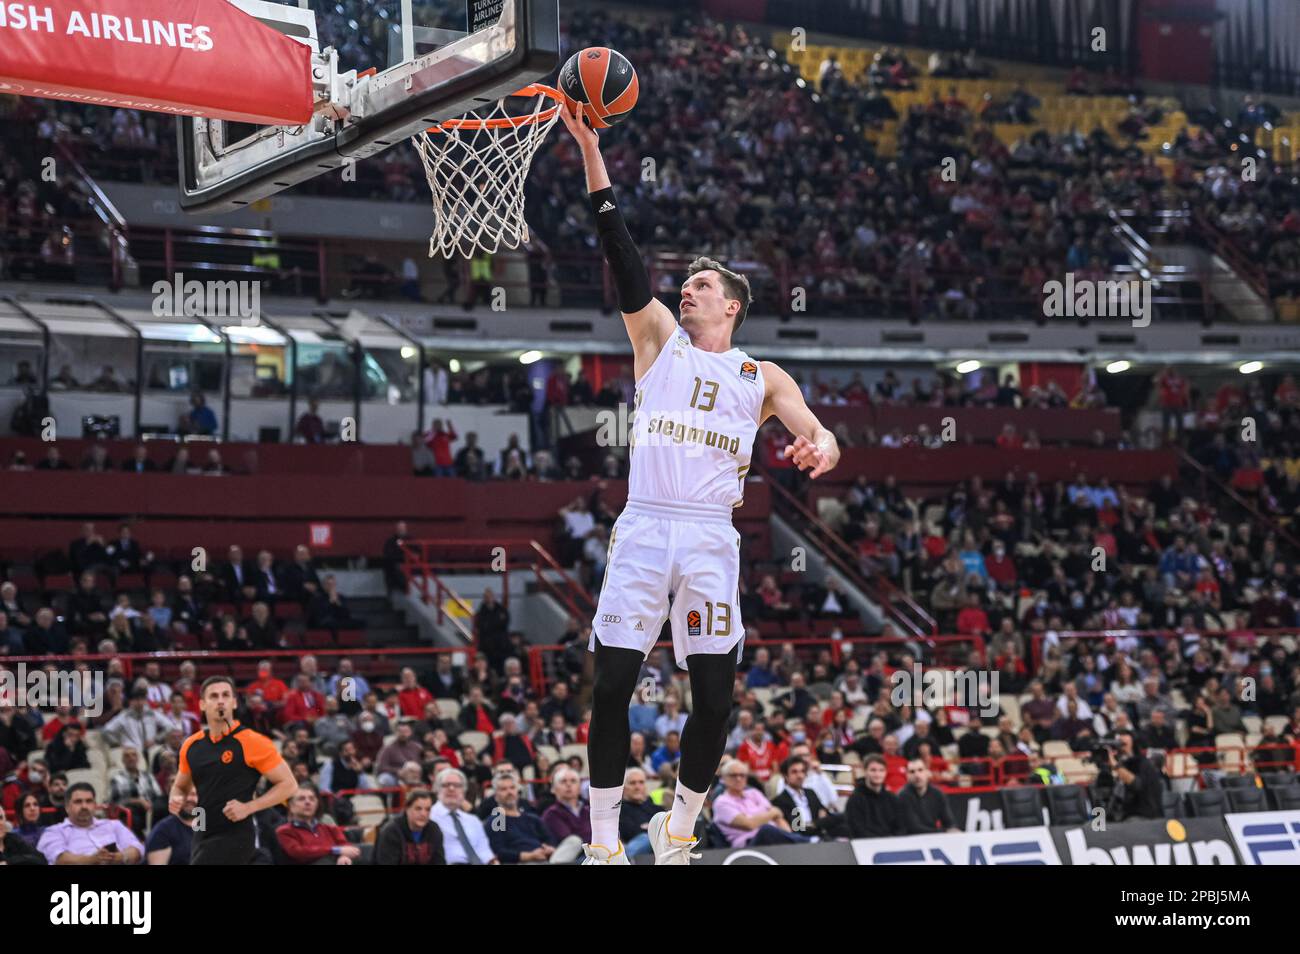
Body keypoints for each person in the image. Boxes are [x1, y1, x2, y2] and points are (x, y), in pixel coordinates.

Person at [556, 97, 841, 865]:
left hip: (713, 536)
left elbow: (820, 431)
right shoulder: (656, 339)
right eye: (684, 284)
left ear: (734, 306)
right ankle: (606, 846)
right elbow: (619, 248)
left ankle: (680, 826)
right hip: (648, 524)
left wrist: (821, 446)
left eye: (702, 287)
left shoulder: (761, 374)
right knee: (612, 685)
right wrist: (592, 154)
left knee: (715, 698)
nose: (686, 290)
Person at [169, 675, 297, 865]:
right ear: (202, 704)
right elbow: (180, 786)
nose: (220, 700)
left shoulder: (253, 741)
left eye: (226, 695)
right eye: (214, 696)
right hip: (201, 829)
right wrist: (176, 799)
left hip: (235, 832)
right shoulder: (191, 745)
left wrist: (249, 807)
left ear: (234, 703)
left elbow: (289, 785)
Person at [712, 759, 813, 848]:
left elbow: (778, 817)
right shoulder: (721, 802)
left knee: (771, 830)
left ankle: (802, 843)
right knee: (766, 830)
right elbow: (750, 824)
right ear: (723, 778)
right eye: (733, 775)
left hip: (776, 838)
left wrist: (788, 835)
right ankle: (808, 842)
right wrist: (771, 814)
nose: (738, 779)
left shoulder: (754, 793)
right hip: (747, 846)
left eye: (742, 775)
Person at [37, 782, 144, 865]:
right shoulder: (54, 832)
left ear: (95, 805)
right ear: (67, 807)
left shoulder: (114, 825)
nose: (84, 806)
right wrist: (93, 860)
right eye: (78, 802)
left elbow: (137, 849)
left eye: (89, 801)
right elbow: (60, 860)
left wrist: (120, 857)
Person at [276, 784, 360, 865]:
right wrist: (335, 850)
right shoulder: (284, 831)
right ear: (291, 806)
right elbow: (298, 852)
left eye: (312, 799)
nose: (308, 802)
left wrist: (344, 856)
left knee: (366, 851)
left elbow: (345, 845)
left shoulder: (329, 828)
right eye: (301, 799)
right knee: (327, 861)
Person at [430, 768, 497, 864]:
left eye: (457, 785)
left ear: (464, 792)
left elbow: (485, 852)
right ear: (437, 790)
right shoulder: (429, 818)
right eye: (446, 785)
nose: (451, 788)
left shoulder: (473, 820)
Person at [375, 788, 445, 865]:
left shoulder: (434, 830)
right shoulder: (391, 832)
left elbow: (439, 861)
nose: (423, 814)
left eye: (427, 809)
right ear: (407, 809)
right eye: (418, 809)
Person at [846, 754, 906, 837]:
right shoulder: (855, 799)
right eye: (873, 770)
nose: (877, 774)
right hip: (865, 846)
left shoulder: (892, 798)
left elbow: (901, 826)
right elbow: (856, 829)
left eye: (881, 770)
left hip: (892, 845)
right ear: (865, 771)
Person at [899, 757, 958, 833]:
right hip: (909, 840)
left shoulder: (937, 794)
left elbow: (949, 822)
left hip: (932, 837)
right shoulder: (903, 796)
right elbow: (913, 828)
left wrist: (952, 830)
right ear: (907, 776)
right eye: (912, 772)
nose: (917, 775)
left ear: (927, 772)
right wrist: (944, 832)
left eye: (920, 770)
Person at [145, 788, 198, 865]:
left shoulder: (210, 826)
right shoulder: (163, 831)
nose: (189, 799)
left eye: (194, 794)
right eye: (184, 794)